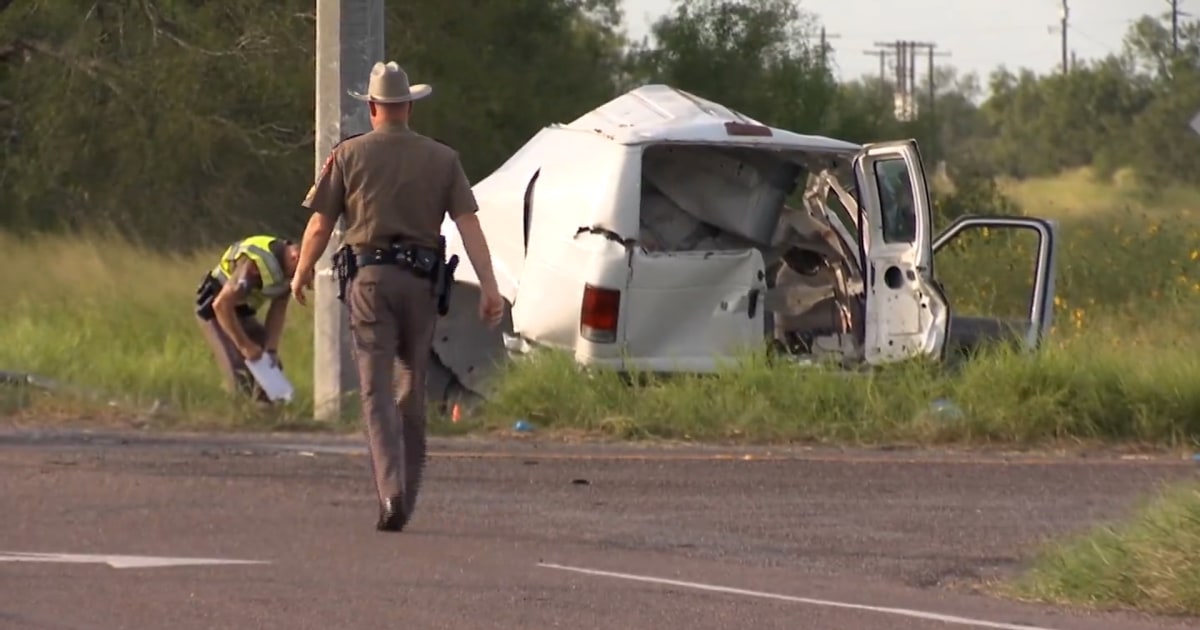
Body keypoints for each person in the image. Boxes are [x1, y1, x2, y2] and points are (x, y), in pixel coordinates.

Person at [290, 61, 504, 533]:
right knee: (413, 382)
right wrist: (490, 288)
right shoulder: (443, 158)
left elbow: (320, 223)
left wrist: (302, 270)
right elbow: (470, 226)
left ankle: (391, 494)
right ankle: (410, 487)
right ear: (407, 106)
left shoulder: (347, 156)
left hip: (370, 283)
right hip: (422, 285)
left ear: (372, 108)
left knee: (374, 390)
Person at [194, 235, 300, 402]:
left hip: (243, 312)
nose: (309, 281)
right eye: (310, 271)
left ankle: (268, 418)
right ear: (296, 257)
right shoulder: (256, 264)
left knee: (271, 367)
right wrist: (245, 346)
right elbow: (221, 305)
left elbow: (278, 311)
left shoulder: (290, 272)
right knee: (239, 370)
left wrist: (271, 349)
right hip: (216, 310)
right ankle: (238, 417)